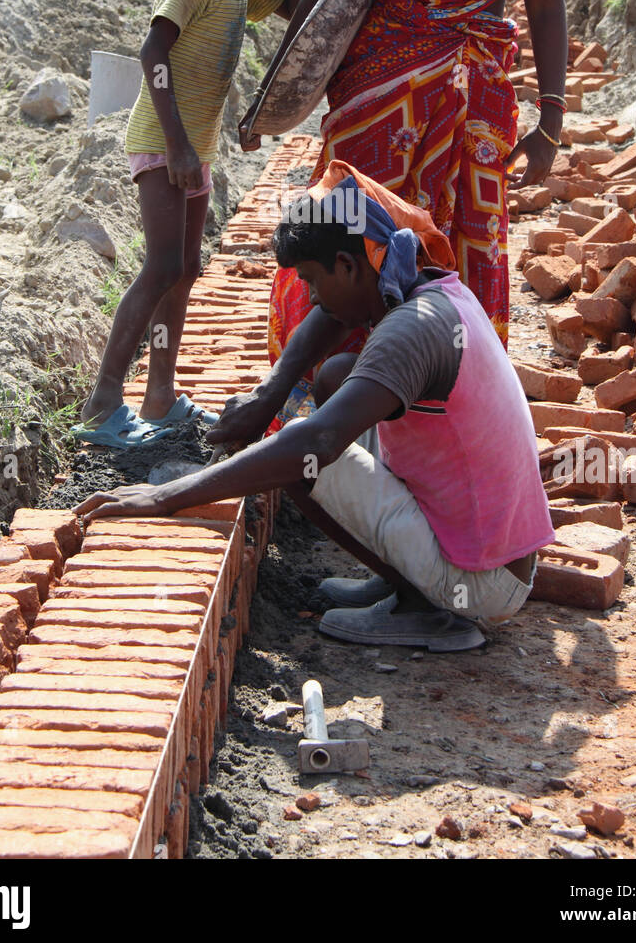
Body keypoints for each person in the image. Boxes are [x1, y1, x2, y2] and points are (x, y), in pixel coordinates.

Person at [76, 164, 554, 649]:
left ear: (348, 265)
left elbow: (315, 442)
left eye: (310, 280)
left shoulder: (410, 332)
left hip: (485, 582)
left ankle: (428, 608)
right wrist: (270, 393)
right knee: (337, 376)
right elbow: (332, 316)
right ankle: (404, 580)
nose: (310, 297)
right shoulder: (426, 287)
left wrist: (166, 497)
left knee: (302, 458)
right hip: (498, 553)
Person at [239, 0, 568, 419]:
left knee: (461, 242)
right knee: (347, 235)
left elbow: (543, 2)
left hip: (474, 93)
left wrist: (552, 120)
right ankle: (317, 403)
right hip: (373, 91)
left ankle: (443, 405)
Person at [73, 0, 345, 449]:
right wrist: (177, 146)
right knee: (163, 267)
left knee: (187, 271)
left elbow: (294, 9)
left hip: (193, 149)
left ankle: (161, 395)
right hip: (163, 143)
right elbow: (153, 53)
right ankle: (102, 403)